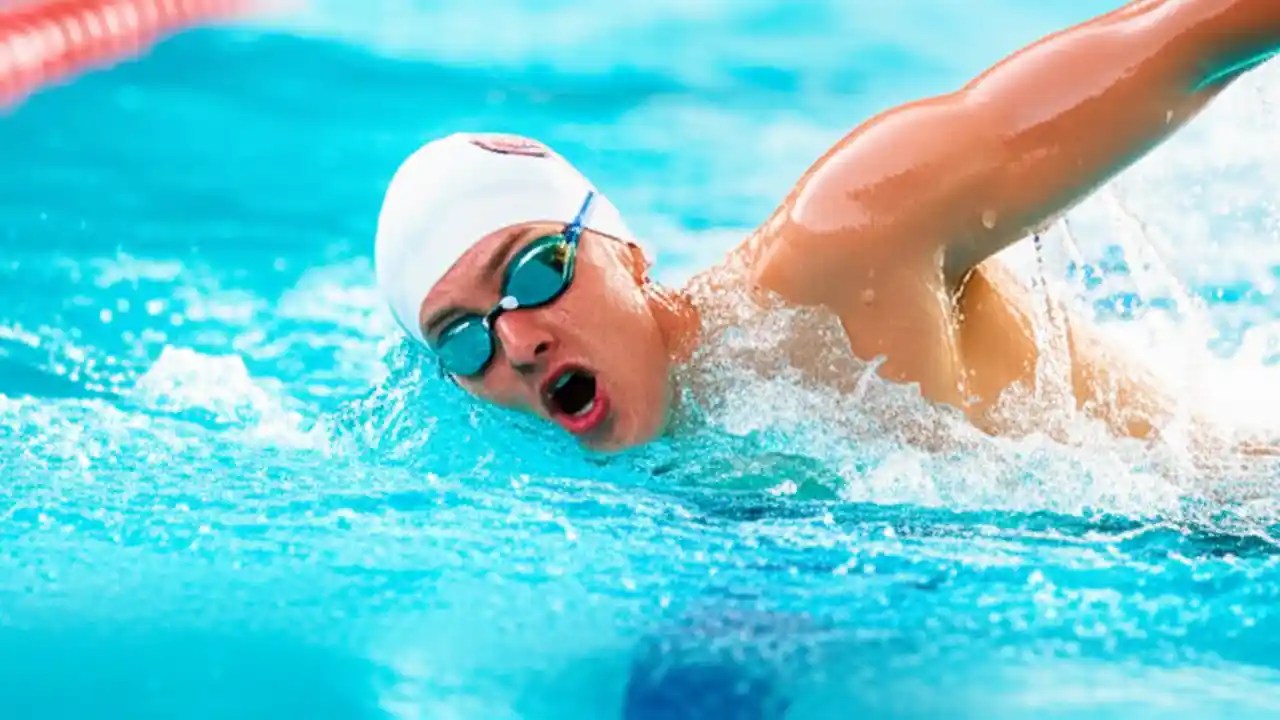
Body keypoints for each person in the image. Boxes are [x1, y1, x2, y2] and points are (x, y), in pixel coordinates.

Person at [373, 0, 1280, 454]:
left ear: (628, 253)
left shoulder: (846, 243)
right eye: (461, 340)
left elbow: (1181, 43)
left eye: (535, 270)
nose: (519, 339)